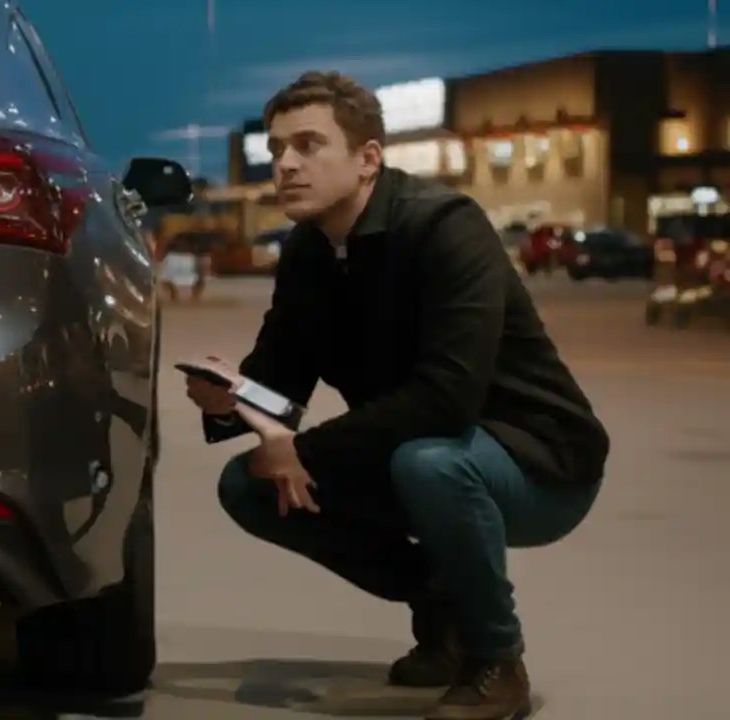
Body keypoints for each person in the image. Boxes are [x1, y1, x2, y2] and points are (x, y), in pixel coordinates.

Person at [184, 71, 609, 720]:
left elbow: (446, 399)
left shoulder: (445, 226)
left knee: (430, 461)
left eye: (307, 145)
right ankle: (442, 606)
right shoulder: (308, 251)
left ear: (367, 159)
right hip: (418, 450)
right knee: (247, 486)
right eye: (277, 150)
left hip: (539, 465)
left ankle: (497, 661)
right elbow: (280, 384)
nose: (287, 165)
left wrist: (302, 447)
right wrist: (230, 402)